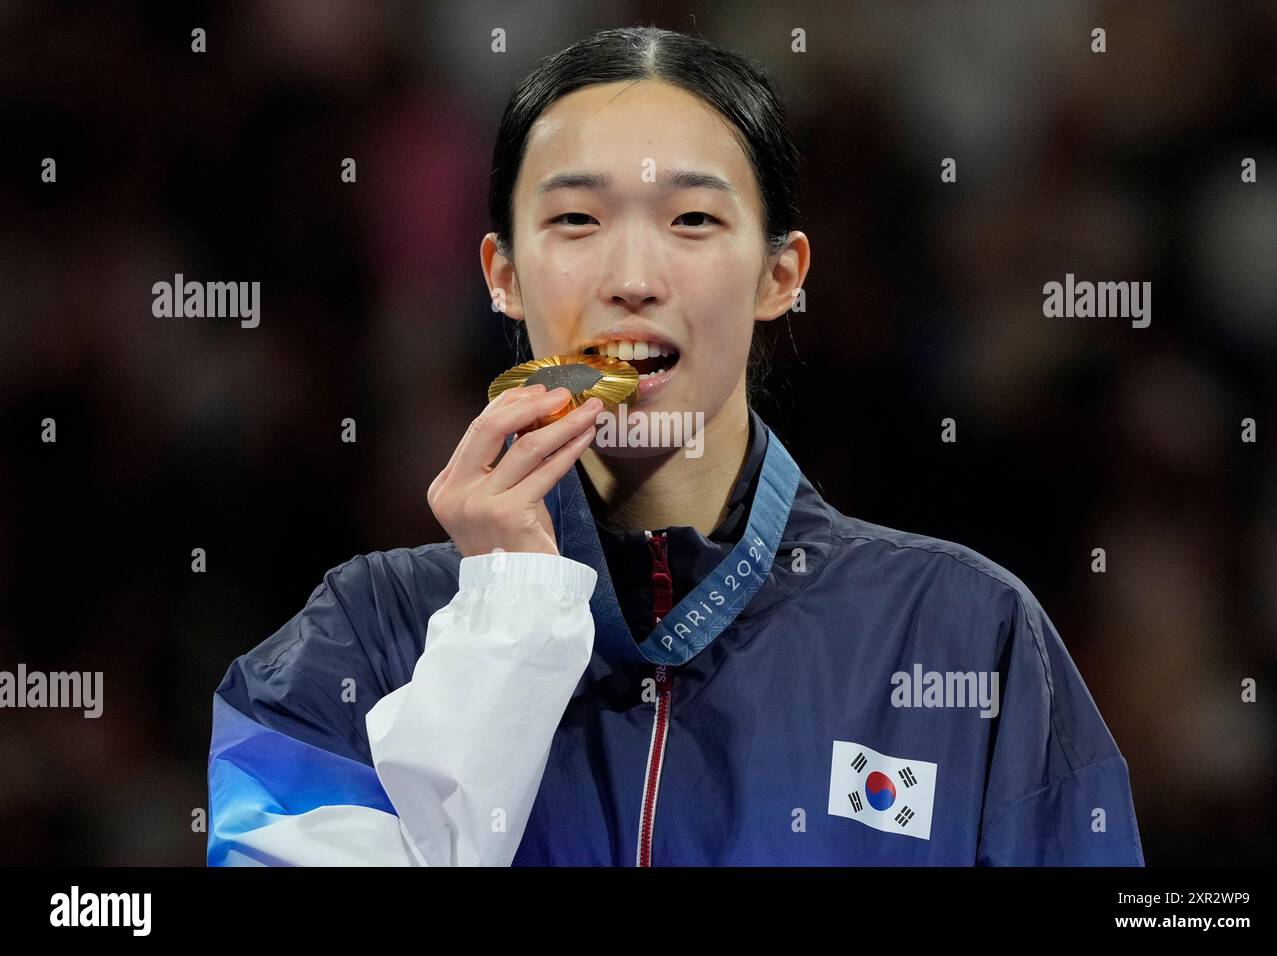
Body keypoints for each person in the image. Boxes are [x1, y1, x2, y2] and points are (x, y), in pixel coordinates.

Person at [206, 26, 1144, 866]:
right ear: (503, 276)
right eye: (576, 219)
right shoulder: (360, 641)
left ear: (782, 274)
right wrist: (507, 621)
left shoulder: (963, 636)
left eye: (693, 219)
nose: (633, 276)